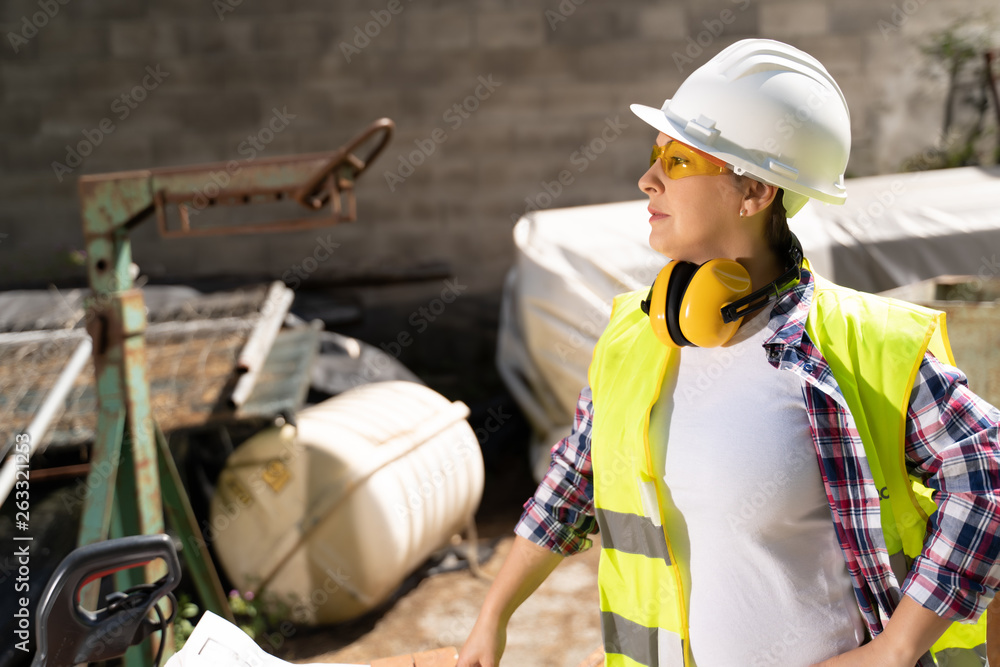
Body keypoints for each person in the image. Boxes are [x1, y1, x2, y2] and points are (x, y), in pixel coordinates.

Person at [457, 39, 1000, 667]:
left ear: (755, 192)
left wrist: (897, 648)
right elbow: (570, 486)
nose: (647, 179)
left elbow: (986, 475)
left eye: (679, 161)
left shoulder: (868, 343)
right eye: (655, 155)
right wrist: (492, 617)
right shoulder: (634, 337)